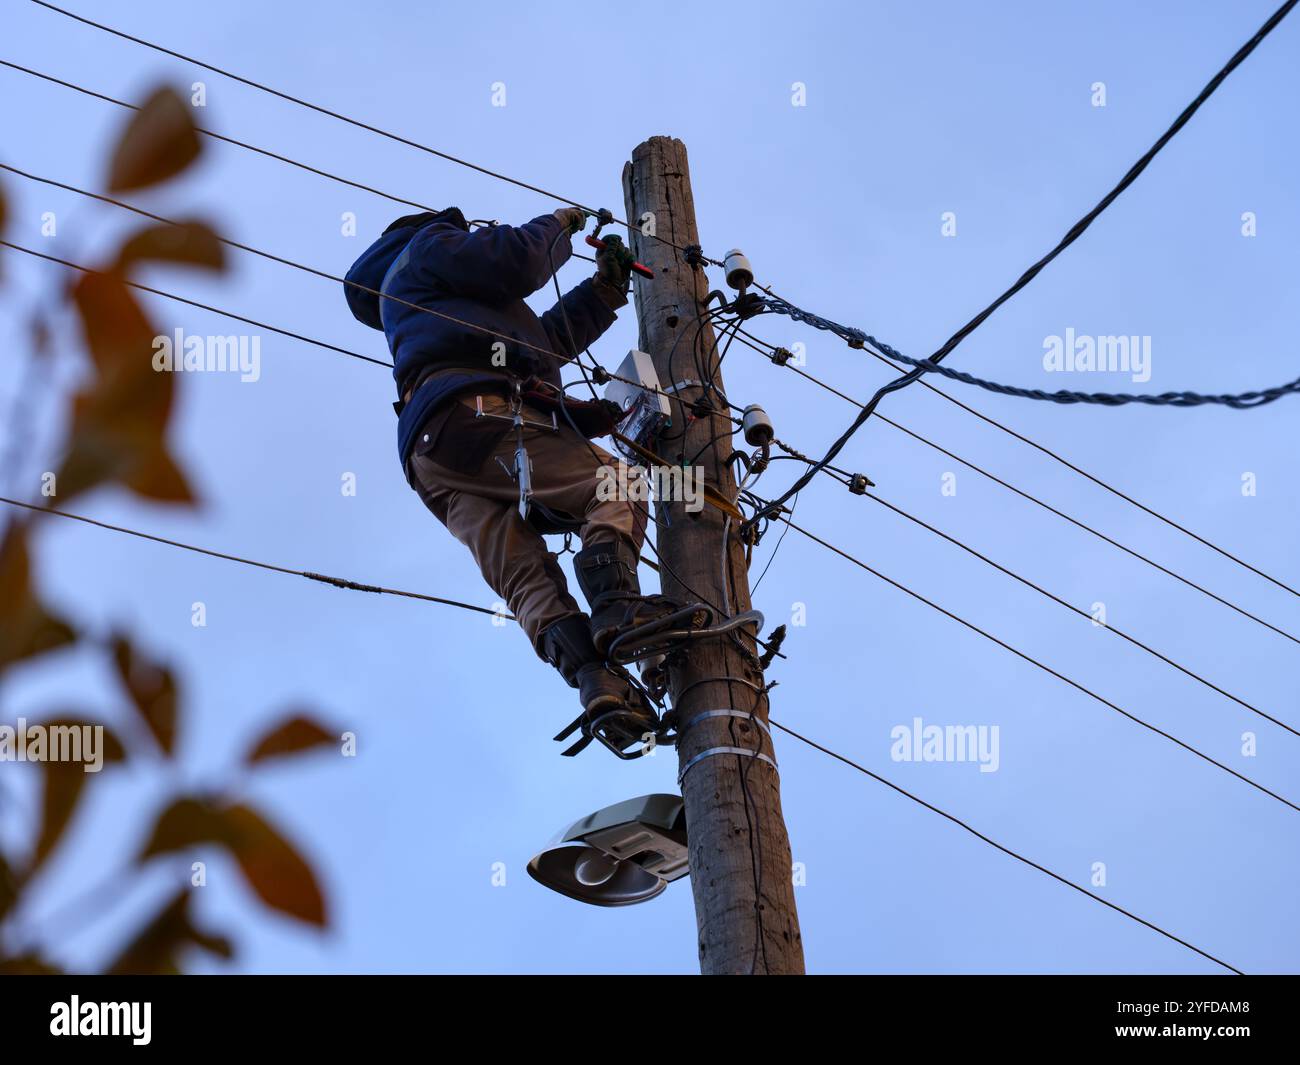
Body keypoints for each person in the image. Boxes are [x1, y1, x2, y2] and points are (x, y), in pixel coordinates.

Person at [343, 205, 677, 753]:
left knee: (522, 576)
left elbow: (533, 348)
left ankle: (598, 681)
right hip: (476, 415)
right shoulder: (427, 247)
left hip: (435, 454)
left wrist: (606, 289)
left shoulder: (421, 301)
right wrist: (557, 224)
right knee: (616, 485)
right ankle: (618, 608)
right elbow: (519, 261)